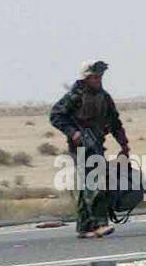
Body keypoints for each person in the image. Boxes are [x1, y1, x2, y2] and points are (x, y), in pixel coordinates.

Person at [49, 59, 130, 239]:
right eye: (95, 77)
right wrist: (73, 133)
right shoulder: (75, 96)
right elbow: (55, 115)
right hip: (81, 147)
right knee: (95, 182)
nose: (99, 79)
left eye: (100, 76)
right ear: (86, 78)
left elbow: (115, 122)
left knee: (89, 185)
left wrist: (124, 144)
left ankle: (85, 227)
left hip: (96, 144)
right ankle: (100, 223)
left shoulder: (104, 97)